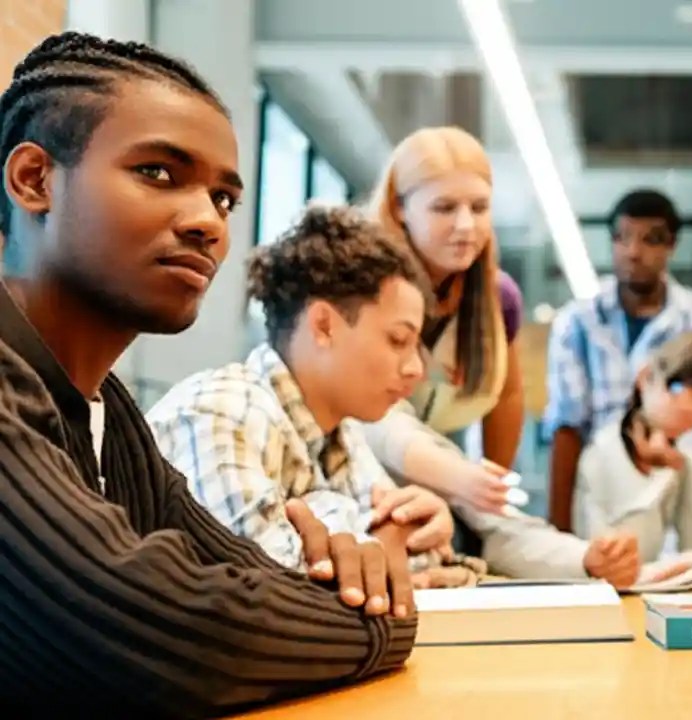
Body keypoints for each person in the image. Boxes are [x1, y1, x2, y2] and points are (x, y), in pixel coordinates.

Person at [0, 32, 414, 715]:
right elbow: (152, 632)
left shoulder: (113, 419)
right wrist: (375, 619)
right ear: (34, 180)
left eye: (223, 199)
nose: (207, 223)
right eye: (158, 173)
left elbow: (242, 576)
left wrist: (361, 587)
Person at [147, 206, 477, 586]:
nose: (415, 369)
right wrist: (388, 552)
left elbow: (407, 563)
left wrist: (425, 528)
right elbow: (267, 596)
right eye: (398, 340)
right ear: (323, 325)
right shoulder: (222, 412)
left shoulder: (342, 437)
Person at [545, 189, 692, 532]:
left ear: (671, 245)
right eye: (622, 238)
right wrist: (560, 535)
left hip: (676, 494)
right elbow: (566, 427)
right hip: (600, 498)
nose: (633, 252)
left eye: (650, 240)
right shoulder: (577, 323)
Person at [361, 126, 525, 519]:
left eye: (480, 207)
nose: (466, 226)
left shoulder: (498, 298)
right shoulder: (360, 288)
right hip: (355, 489)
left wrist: (492, 501)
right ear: (400, 208)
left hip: (444, 497)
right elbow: (376, 420)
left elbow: (507, 396)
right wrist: (460, 478)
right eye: (444, 208)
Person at [574, 331, 692, 562]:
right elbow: (606, 554)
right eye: (684, 390)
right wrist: (661, 479)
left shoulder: (681, 458)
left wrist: (680, 468)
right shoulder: (603, 451)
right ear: (646, 379)